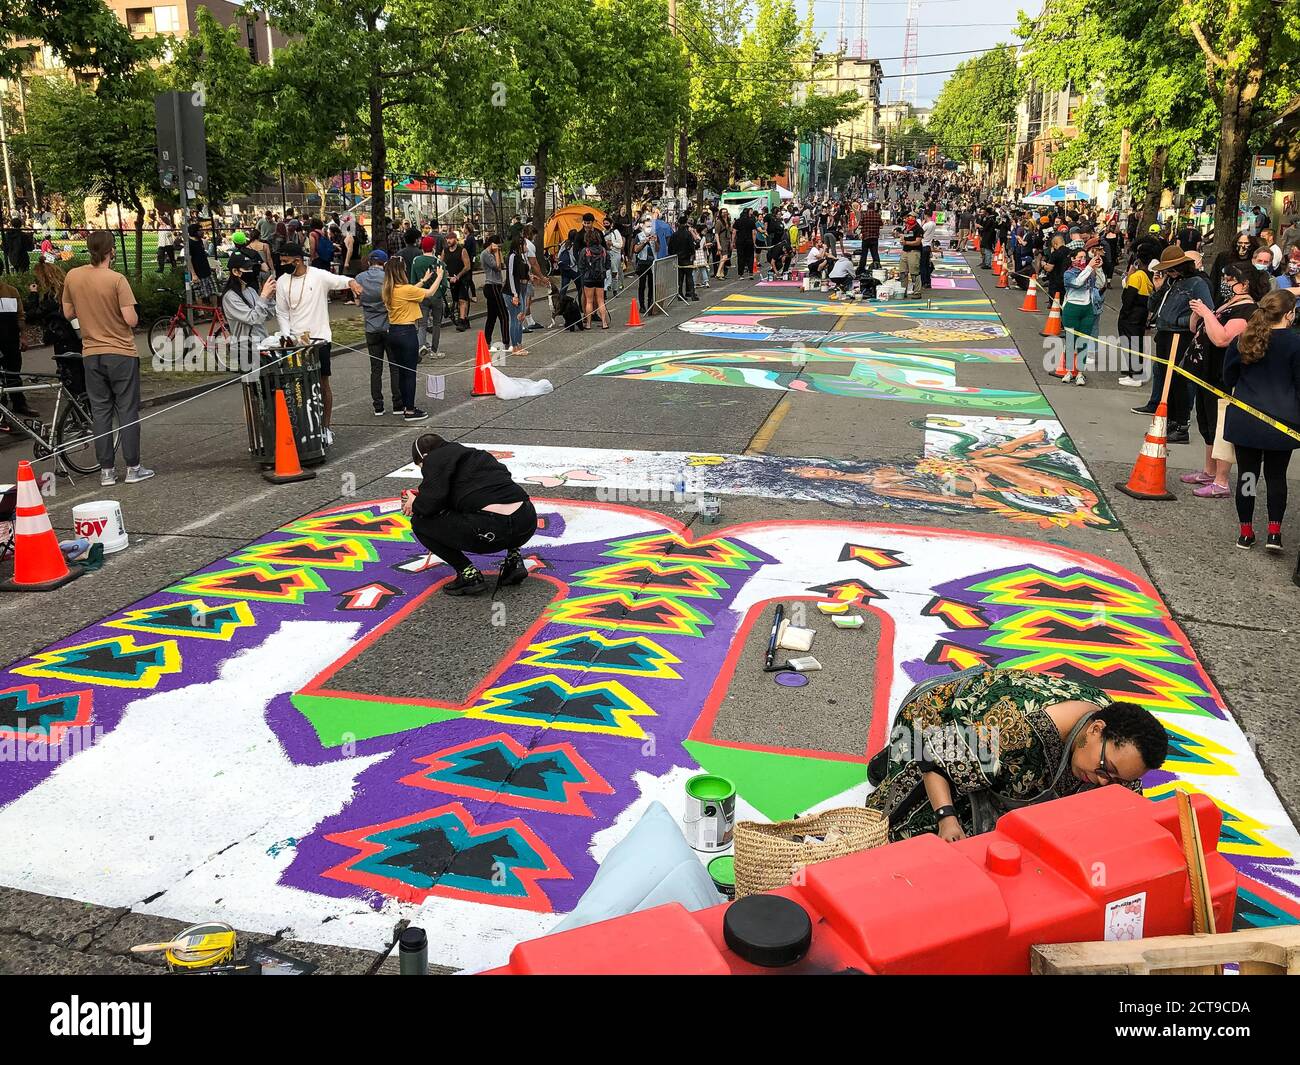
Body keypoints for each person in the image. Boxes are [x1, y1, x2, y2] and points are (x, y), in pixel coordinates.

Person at [864, 667, 1168, 842]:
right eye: (1105, 769)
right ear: (1095, 729)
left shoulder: (1115, 742)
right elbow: (936, 756)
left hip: (994, 746)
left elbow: (1124, 807)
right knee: (926, 837)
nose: (1104, 781)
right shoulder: (1015, 728)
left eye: (1115, 778)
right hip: (937, 719)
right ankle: (897, 756)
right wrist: (947, 820)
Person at [61, 231, 153, 485]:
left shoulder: (73, 276)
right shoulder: (117, 279)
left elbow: (68, 312)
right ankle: (133, 467)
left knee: (100, 412)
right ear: (111, 250)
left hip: (91, 352)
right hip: (120, 351)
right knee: (127, 410)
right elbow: (131, 320)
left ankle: (106, 472)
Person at [400, 433, 537, 596]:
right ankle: (514, 561)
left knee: (420, 522)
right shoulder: (477, 455)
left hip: (491, 530)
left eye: (421, 466)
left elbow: (428, 507)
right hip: (527, 521)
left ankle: (468, 574)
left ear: (425, 457)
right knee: (495, 505)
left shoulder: (433, 459)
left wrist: (414, 503)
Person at [1222, 290, 1300, 553]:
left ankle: (1245, 532)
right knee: (1276, 477)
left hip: (1246, 419)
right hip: (1282, 421)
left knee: (1247, 475)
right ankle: (1274, 532)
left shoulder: (1242, 339)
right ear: (1290, 314)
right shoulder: (1296, 342)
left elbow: (1228, 378)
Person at [1184, 261, 1269, 499]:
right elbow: (1196, 328)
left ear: (1245, 284)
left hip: (1223, 375)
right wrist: (1198, 312)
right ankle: (1209, 471)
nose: (1226, 283)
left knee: (1220, 425)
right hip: (1205, 371)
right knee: (1206, 421)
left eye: (1230, 280)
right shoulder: (1229, 303)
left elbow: (1222, 338)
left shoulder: (1247, 310)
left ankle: (1221, 480)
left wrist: (1207, 313)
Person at [273, 241, 363, 445]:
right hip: (295, 343)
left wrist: (353, 283)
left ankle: (325, 427)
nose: (282, 264)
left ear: (297, 260)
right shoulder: (282, 282)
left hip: (320, 339)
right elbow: (281, 311)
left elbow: (339, 280)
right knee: (297, 386)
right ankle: (303, 427)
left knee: (322, 383)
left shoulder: (317, 275)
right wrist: (287, 335)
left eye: (285, 261)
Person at [1134, 245, 1213, 443]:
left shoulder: (1197, 283)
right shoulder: (1171, 282)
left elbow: (1207, 310)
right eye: (1168, 269)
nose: (1170, 272)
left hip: (1181, 335)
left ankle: (1181, 425)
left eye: (1173, 268)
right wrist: (1159, 289)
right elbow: (1152, 306)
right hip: (1164, 334)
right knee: (1165, 380)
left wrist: (1184, 322)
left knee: (1179, 381)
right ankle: (1169, 421)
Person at [380, 255, 440, 423]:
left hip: (393, 331)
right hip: (407, 332)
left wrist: (423, 279)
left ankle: (403, 406)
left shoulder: (388, 289)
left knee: (401, 371)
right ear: (401, 272)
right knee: (410, 373)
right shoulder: (405, 289)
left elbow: (412, 291)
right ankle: (410, 410)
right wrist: (439, 277)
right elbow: (430, 293)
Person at [356, 249, 401, 416]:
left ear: (369, 262)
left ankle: (378, 405)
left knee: (376, 369)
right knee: (395, 366)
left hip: (370, 326)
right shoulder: (389, 278)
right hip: (388, 324)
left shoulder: (359, 278)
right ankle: (398, 403)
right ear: (385, 263)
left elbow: (357, 302)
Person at [220, 251, 277, 369]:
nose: (251, 271)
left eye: (252, 267)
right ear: (236, 272)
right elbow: (253, 318)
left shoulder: (250, 290)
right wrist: (264, 297)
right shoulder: (230, 297)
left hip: (262, 345)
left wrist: (270, 297)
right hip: (247, 349)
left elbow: (267, 316)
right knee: (257, 385)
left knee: (274, 384)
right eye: (247, 268)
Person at [1115, 258, 1154, 387]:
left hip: (1131, 314)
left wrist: (1124, 314)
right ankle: (1134, 372)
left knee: (1131, 343)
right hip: (1141, 313)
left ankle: (1135, 375)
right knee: (1136, 342)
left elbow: (1128, 297)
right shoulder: (1147, 276)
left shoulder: (1135, 277)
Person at [480, 234, 512, 353]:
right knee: (504, 314)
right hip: (492, 285)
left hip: (497, 284)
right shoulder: (486, 254)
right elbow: (497, 267)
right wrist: (497, 252)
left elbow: (502, 265)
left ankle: (487, 341)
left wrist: (498, 252)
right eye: (498, 245)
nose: (499, 248)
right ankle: (506, 341)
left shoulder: (493, 253)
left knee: (492, 316)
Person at [505, 234, 531, 357]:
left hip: (519, 290)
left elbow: (521, 273)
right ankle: (515, 345)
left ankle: (519, 344)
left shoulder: (521, 257)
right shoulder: (512, 257)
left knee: (520, 318)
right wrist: (514, 293)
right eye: (525, 244)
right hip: (512, 291)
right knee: (516, 318)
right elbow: (510, 275)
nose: (526, 246)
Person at [581, 230, 611, 328]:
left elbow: (580, 265)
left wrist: (584, 273)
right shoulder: (603, 250)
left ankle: (588, 324)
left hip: (588, 278)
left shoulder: (585, 250)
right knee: (601, 301)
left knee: (589, 301)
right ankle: (604, 323)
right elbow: (608, 264)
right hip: (600, 278)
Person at [670, 217, 698, 302]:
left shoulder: (674, 235)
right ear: (686, 223)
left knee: (680, 278)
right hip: (687, 258)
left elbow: (670, 247)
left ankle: (680, 294)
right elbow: (691, 246)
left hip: (677, 258)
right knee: (689, 277)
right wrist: (693, 255)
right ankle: (692, 294)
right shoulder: (688, 234)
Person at [898, 212, 924, 299]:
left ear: (915, 218)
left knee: (914, 272)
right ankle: (903, 291)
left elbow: (918, 242)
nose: (909, 219)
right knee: (902, 272)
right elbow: (903, 237)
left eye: (912, 217)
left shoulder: (918, 229)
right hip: (905, 251)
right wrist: (901, 238)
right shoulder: (906, 227)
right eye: (908, 217)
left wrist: (906, 242)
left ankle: (917, 292)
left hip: (914, 252)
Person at [733, 208, 756, 277]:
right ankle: (751, 273)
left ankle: (741, 274)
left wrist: (732, 242)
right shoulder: (751, 221)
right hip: (749, 241)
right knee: (750, 257)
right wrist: (754, 242)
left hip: (740, 241)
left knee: (740, 257)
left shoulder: (737, 221)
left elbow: (734, 232)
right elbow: (754, 233)